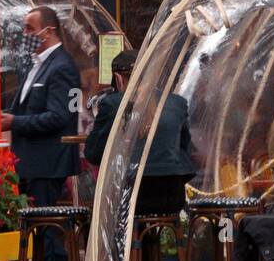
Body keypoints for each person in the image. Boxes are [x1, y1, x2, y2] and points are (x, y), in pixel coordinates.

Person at [0, 5, 79, 261]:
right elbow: (25, 108)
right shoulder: (34, 65)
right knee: (39, 228)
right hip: (28, 160)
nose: (25, 34)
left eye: (29, 28)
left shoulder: (62, 66)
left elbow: (59, 117)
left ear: (48, 31)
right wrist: (2, 116)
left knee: (43, 230)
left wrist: (15, 122)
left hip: (47, 161)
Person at [83, 50, 196, 215]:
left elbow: (93, 153)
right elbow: (185, 148)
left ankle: (131, 241)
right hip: (172, 195)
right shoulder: (177, 102)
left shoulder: (113, 104)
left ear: (118, 78)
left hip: (132, 196)